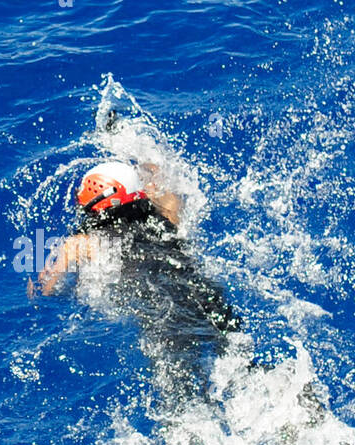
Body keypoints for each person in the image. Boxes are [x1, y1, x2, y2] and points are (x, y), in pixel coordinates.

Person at [31, 159, 243, 397]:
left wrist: (35, 289)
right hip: (204, 295)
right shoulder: (168, 211)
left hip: (166, 314)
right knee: (238, 362)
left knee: (182, 399)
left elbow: (47, 289)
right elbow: (158, 172)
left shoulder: (81, 243)